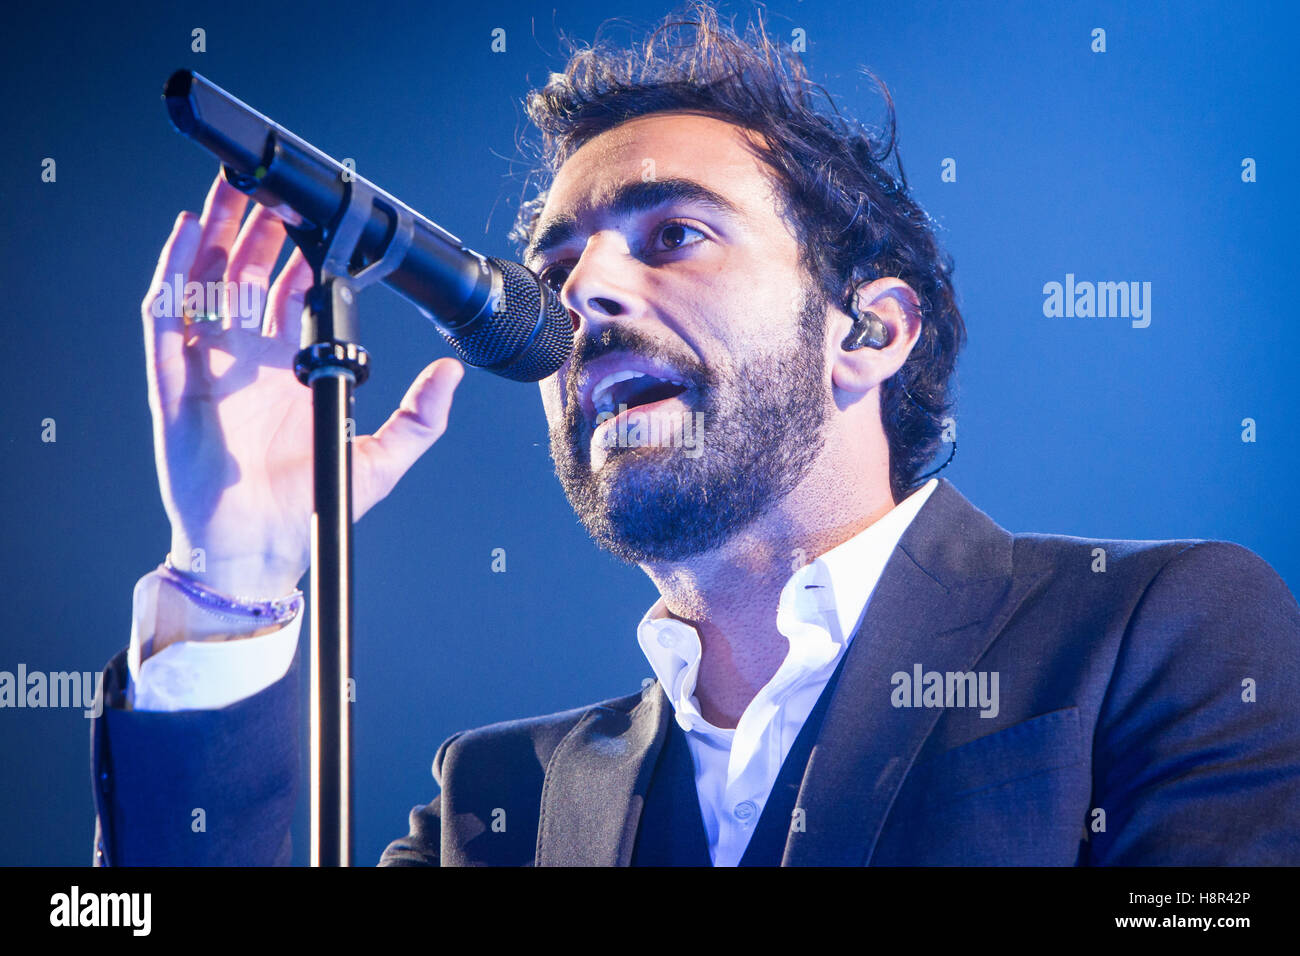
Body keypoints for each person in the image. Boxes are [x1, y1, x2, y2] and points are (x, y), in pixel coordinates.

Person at [92, 3, 1300, 866]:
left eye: (673, 235)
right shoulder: (497, 803)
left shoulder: (1159, 631)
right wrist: (232, 575)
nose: (584, 296)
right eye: (556, 267)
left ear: (870, 332)